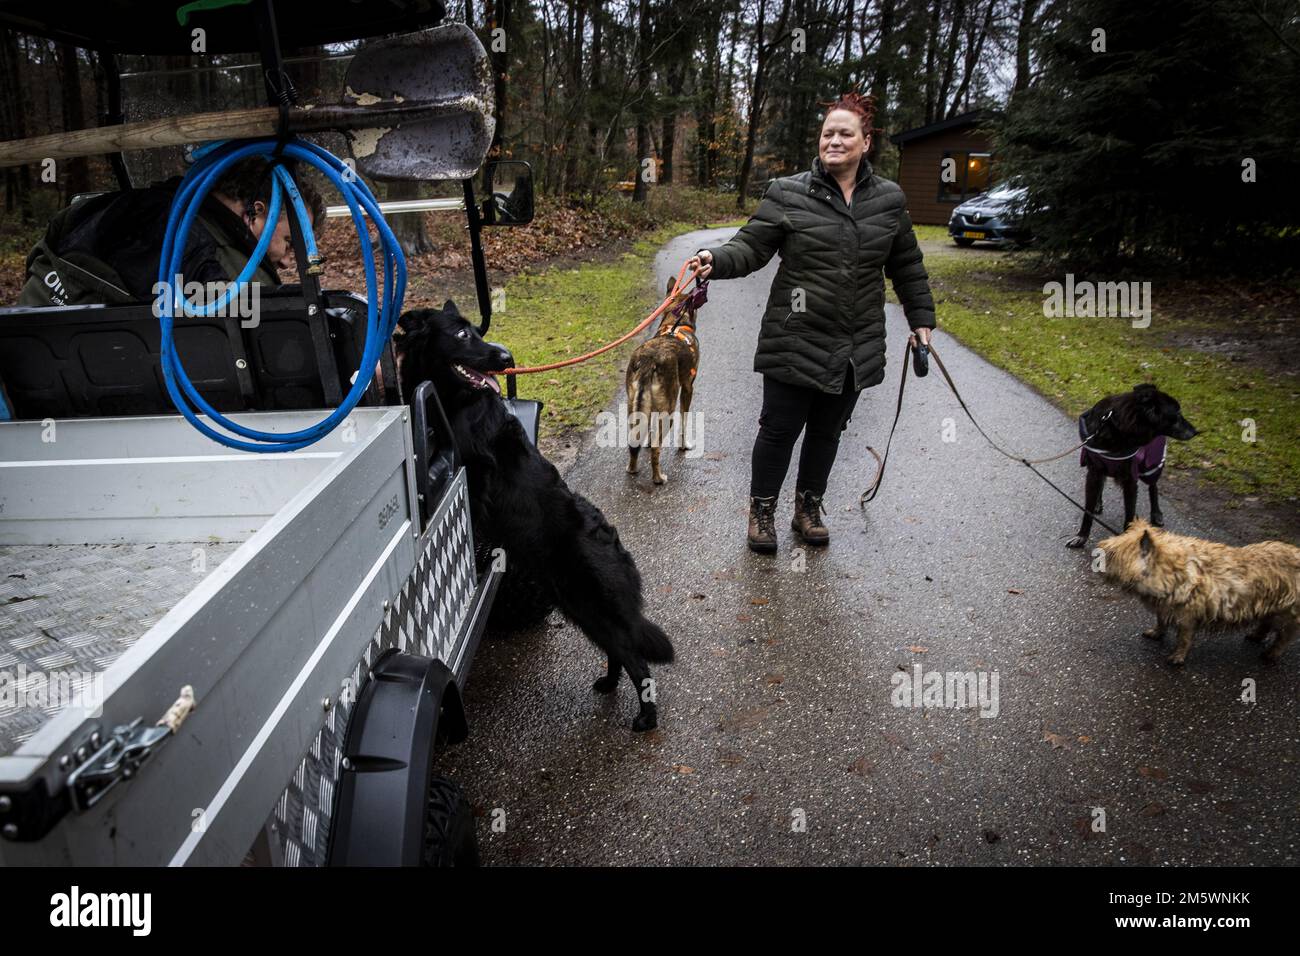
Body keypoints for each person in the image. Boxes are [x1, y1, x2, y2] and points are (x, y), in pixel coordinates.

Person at [685, 91, 936, 554]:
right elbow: (750, 247)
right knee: (779, 429)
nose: (834, 141)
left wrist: (921, 319)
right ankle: (762, 511)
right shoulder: (788, 192)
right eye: (827, 134)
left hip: (854, 342)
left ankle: (808, 508)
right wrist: (713, 259)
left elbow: (907, 264)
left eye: (845, 134)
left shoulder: (888, 200)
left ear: (865, 144)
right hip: (794, 334)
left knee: (827, 431)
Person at [17, 155, 325, 308]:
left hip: (24, 343)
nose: (287, 261)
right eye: (289, 242)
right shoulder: (235, 268)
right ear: (259, 213)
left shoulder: (112, 206)